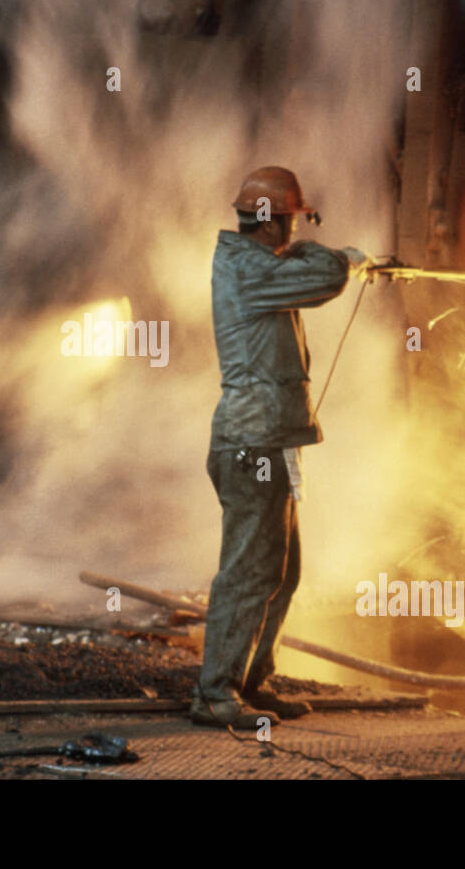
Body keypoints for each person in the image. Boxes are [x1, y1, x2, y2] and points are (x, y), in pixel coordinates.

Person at [191, 167, 370, 729]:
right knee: (249, 570)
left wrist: (320, 255)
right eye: (291, 219)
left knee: (281, 571)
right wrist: (348, 256)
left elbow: (305, 272)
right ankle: (215, 695)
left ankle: (247, 683)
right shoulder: (248, 269)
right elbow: (328, 278)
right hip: (253, 444)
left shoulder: (261, 266)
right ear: (270, 220)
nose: (293, 229)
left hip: (271, 442)